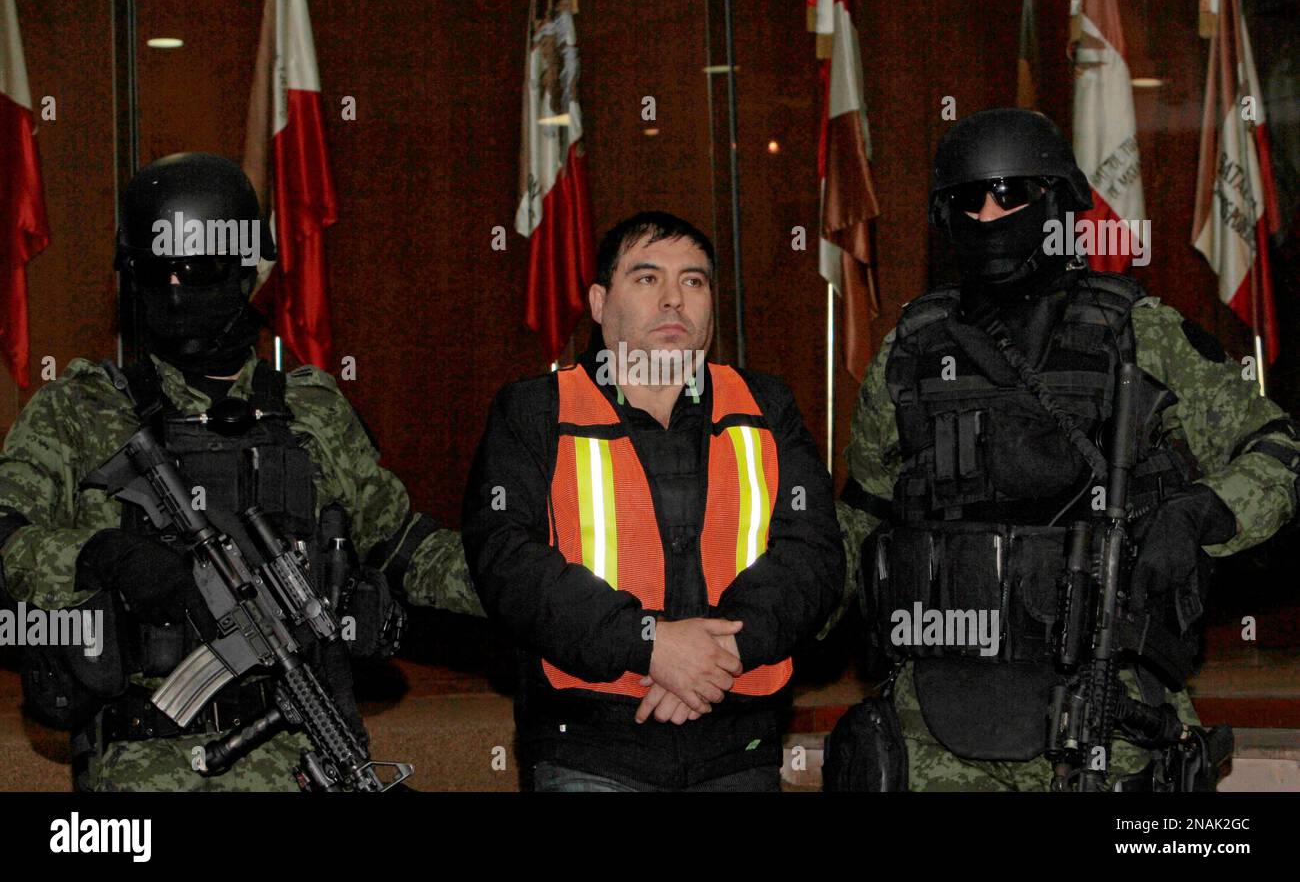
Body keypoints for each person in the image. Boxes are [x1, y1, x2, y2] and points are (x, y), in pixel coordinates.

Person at [836, 108, 1300, 791]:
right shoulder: (908, 352)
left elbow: (1279, 450)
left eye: (1012, 193)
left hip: (1106, 711)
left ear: (1057, 201)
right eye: (970, 198)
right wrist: (775, 607)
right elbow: (859, 517)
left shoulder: (1138, 332)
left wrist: (1199, 513)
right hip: (934, 726)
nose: (990, 214)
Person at [0, 152, 482, 791]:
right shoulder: (82, 408)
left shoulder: (310, 409)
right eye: (156, 274)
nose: (175, 294)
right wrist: (98, 557)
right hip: (144, 771)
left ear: (244, 272)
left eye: (197, 275)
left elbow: (405, 547)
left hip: (302, 760)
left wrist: (539, 580)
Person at [462, 211, 843, 791]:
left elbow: (812, 554)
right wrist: (650, 645)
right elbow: (508, 561)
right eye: (646, 278)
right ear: (597, 301)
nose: (673, 300)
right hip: (590, 753)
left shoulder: (766, 404)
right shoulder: (534, 410)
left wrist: (713, 656)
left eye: (693, 281)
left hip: (738, 749)